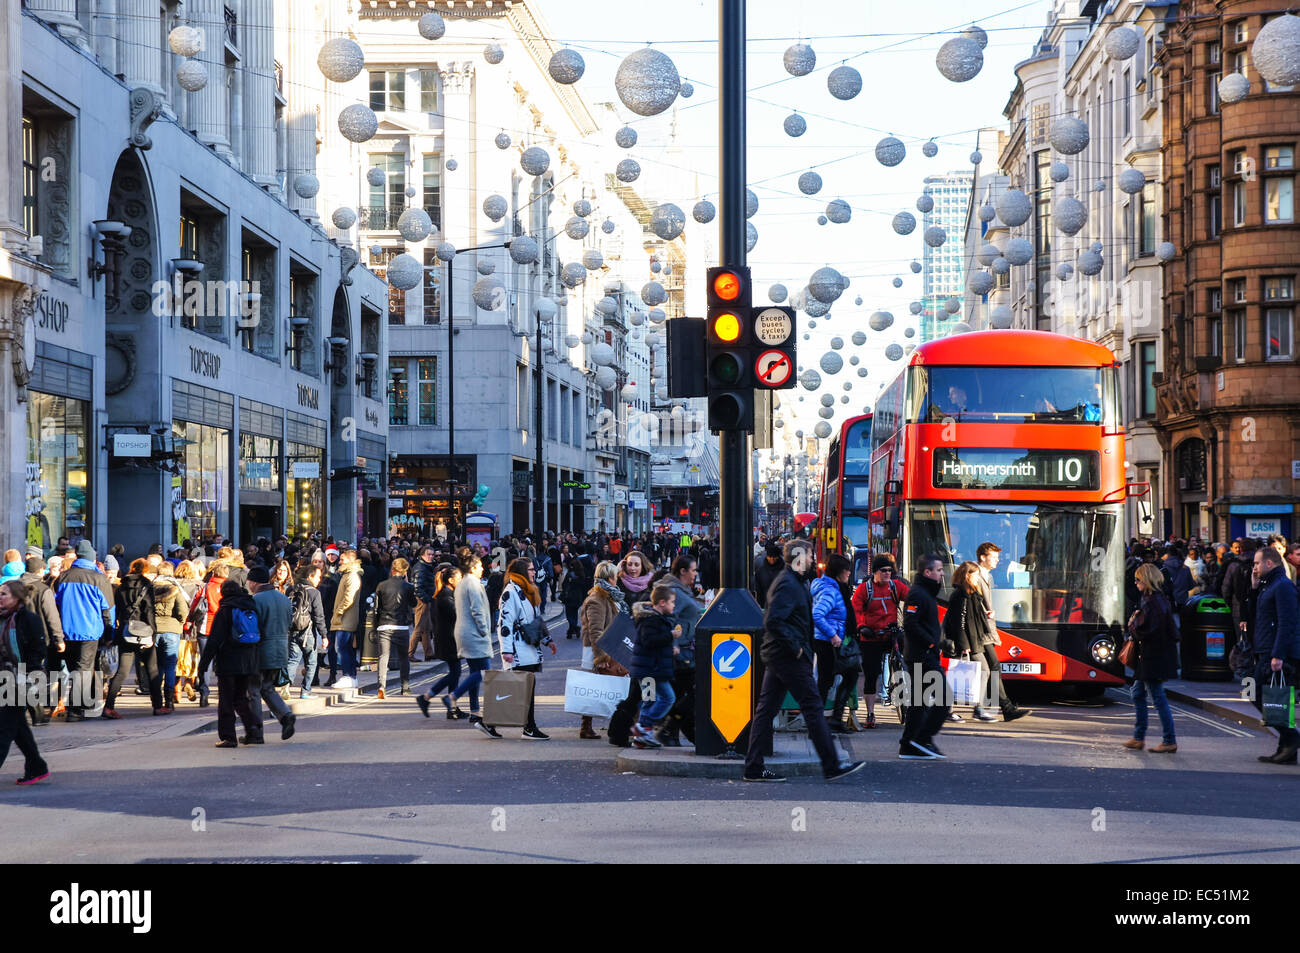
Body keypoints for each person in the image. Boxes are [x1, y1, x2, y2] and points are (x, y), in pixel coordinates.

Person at [743, 540, 865, 782]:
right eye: (810, 555)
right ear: (800, 556)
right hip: (788, 657)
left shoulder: (796, 582)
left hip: (782, 656)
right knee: (812, 707)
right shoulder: (788, 584)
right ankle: (831, 765)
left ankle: (754, 767)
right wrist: (797, 648)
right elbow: (773, 620)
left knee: (766, 711)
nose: (813, 559)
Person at [429, 554, 494, 729]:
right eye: (480, 566)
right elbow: (477, 611)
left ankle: (475, 711)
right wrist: (484, 632)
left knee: (475, 671)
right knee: (483, 671)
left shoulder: (463, 583)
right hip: (473, 633)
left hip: (464, 632)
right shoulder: (473, 584)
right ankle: (453, 696)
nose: (482, 568)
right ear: (472, 568)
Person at [1122, 564, 1179, 754]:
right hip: (1150, 655)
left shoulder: (1153, 602)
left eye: (1138, 579)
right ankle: (1138, 737)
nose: (1135, 582)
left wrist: (1133, 628)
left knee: (1158, 696)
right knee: (1138, 693)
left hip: (1153, 656)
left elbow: (1150, 630)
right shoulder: (1154, 599)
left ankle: (1169, 740)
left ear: (1146, 580)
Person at [899, 554, 951, 760]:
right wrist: (932, 642)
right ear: (927, 572)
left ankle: (909, 744)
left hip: (924, 654)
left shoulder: (925, 593)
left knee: (919, 703)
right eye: (939, 570)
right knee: (943, 699)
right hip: (922, 656)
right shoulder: (918, 594)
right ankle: (922, 739)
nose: (942, 574)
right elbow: (910, 623)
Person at [496, 558, 556, 740]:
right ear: (522, 571)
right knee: (523, 689)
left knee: (519, 690)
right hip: (518, 649)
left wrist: (547, 640)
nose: (534, 572)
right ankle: (529, 728)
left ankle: (488, 721)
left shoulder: (528, 591)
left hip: (529, 648)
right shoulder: (511, 592)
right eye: (531, 569)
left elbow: (535, 621)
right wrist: (506, 650)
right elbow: (504, 623)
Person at [197, 580, 262, 747]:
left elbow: (214, 640)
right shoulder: (251, 606)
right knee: (241, 697)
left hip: (228, 661)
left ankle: (228, 736)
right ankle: (253, 727)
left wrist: (203, 665)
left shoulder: (225, 610)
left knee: (226, 699)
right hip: (248, 660)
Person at [53, 542, 113, 722]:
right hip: (90, 631)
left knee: (75, 669)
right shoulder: (99, 579)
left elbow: (56, 604)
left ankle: (82, 704)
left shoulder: (63, 577)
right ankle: (76, 708)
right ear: (93, 558)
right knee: (83, 669)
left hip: (67, 630)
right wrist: (110, 634)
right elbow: (108, 609)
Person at [1251, 546, 1300, 764]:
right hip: (1266, 649)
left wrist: (1278, 655)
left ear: (1269, 563)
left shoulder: (1283, 586)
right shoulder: (1269, 585)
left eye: (1256, 563)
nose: (1254, 568)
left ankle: (1292, 738)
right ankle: (1287, 749)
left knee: (1255, 692)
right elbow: (1259, 615)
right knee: (1275, 699)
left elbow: (1287, 622)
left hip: (1276, 652)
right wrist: (1254, 588)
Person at [971, 542, 1029, 722]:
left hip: (986, 629)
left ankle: (990, 707)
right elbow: (973, 603)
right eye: (993, 557)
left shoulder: (987, 576)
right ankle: (1006, 708)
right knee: (992, 667)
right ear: (983, 557)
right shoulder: (976, 576)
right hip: (981, 630)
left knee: (987, 668)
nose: (997, 560)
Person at [0, 580, 50, 784]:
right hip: (4, 678)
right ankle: (37, 766)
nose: (0, 597)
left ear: (17, 598)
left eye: (4, 594)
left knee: (4, 727)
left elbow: (38, 650)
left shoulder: (29, 619)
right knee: (18, 726)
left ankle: (37, 766)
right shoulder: (2, 618)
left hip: (22, 679)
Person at [851, 553, 908, 728]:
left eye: (890, 571)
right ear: (875, 572)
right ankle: (870, 713)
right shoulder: (864, 590)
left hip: (891, 633)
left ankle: (904, 688)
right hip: (871, 636)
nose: (887, 574)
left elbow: (912, 599)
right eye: (883, 571)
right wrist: (861, 626)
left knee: (908, 660)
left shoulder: (895, 586)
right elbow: (856, 611)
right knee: (871, 675)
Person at [105, 558, 165, 718]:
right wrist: (152, 633)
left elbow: (117, 610)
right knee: (152, 669)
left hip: (126, 631)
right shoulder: (146, 585)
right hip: (143, 631)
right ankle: (158, 706)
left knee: (122, 671)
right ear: (144, 570)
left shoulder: (121, 586)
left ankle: (109, 706)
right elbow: (150, 611)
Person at [658, 556, 703, 746]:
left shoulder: (681, 590)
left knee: (678, 695)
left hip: (685, 651)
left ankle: (673, 733)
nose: (695, 574)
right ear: (683, 571)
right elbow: (668, 619)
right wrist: (673, 644)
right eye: (693, 570)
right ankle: (668, 728)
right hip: (680, 654)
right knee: (695, 693)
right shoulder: (675, 592)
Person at [248, 566, 296, 741]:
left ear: (253, 582)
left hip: (261, 650)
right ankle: (285, 715)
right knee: (267, 687)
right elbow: (291, 623)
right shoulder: (284, 599)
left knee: (253, 690)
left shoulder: (255, 600)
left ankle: (256, 732)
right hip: (281, 649)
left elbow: (252, 627)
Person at [580, 561, 626, 741]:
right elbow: (595, 630)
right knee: (593, 689)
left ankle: (590, 726)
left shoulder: (609, 596)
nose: (618, 579)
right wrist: (600, 657)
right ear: (610, 578)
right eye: (616, 576)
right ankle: (586, 727)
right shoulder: (597, 599)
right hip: (597, 650)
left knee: (604, 688)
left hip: (609, 647)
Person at [628, 585, 679, 749]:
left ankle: (643, 736)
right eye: (672, 602)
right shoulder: (651, 620)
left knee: (649, 700)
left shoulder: (652, 618)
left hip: (648, 669)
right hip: (651, 671)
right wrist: (670, 636)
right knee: (668, 698)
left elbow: (652, 643)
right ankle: (644, 726)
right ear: (662, 602)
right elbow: (649, 641)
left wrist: (669, 648)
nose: (674, 606)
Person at [372, 556, 417, 699]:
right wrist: (408, 584)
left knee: (383, 657)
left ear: (392, 570)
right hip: (401, 626)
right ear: (404, 572)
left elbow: (376, 608)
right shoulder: (408, 587)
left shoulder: (381, 585)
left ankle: (381, 686)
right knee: (404, 658)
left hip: (384, 625)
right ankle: (405, 687)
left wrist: (375, 626)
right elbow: (414, 604)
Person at [811, 554, 852, 708]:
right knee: (826, 680)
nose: (849, 573)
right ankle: (819, 719)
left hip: (823, 639)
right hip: (827, 641)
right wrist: (833, 635)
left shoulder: (827, 587)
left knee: (826, 679)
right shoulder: (830, 592)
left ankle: (821, 718)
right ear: (838, 572)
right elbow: (818, 614)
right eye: (846, 570)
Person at [151, 563, 189, 708]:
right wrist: (180, 623)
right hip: (172, 630)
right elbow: (182, 610)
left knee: (157, 665)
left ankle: (158, 698)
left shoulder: (150, 588)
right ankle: (169, 698)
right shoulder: (175, 589)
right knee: (170, 665)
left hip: (154, 630)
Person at [286, 564, 327, 699]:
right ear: (310, 576)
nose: (319, 580)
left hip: (292, 629)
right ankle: (305, 691)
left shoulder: (291, 589)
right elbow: (318, 616)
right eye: (318, 577)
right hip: (308, 631)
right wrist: (324, 635)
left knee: (292, 660)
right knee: (311, 662)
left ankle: (285, 688)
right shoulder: (314, 592)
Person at [327, 549, 362, 689]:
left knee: (341, 647)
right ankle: (351, 677)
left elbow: (349, 598)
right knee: (345, 648)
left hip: (345, 618)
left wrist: (338, 612)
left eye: (342, 559)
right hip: (344, 617)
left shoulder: (352, 576)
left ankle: (348, 676)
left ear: (350, 560)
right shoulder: (347, 574)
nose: (339, 561)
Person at [559, 553, 590, 640]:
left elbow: (564, 584)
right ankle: (571, 630)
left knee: (569, 615)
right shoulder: (581, 574)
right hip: (578, 598)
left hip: (569, 597)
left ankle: (575, 628)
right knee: (574, 614)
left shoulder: (570, 574)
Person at [752, 542, 784, 609]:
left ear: (778, 557)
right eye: (770, 557)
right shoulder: (760, 571)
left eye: (774, 557)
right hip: (766, 605)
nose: (772, 559)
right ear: (766, 557)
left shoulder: (784, 570)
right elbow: (758, 589)